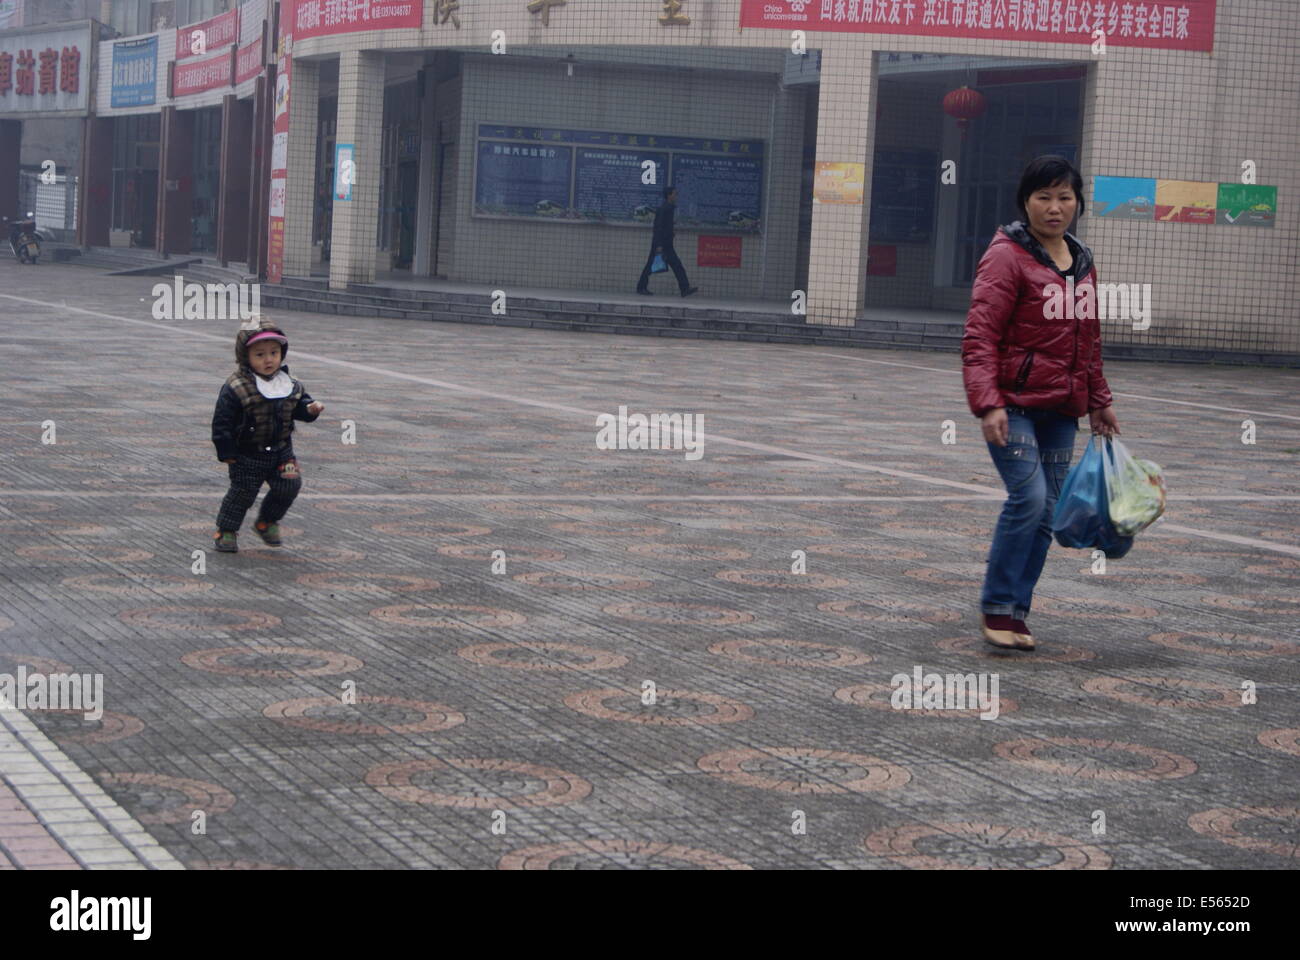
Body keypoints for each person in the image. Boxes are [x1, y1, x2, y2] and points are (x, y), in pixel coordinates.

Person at [961, 155, 1121, 651]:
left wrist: (1099, 399)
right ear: (1025, 201)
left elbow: (1087, 339)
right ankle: (996, 605)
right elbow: (980, 335)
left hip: (1063, 410)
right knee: (1027, 499)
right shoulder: (1007, 255)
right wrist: (988, 403)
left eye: (1065, 197)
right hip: (1014, 405)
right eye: (1044, 197)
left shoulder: (1084, 261)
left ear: (1077, 202)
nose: (1055, 207)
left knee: (1048, 512)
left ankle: (1015, 610)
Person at [211, 319, 325, 552]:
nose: (268, 359)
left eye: (274, 353)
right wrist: (226, 451)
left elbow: (300, 407)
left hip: (282, 451)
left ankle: (266, 521)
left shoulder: (290, 385)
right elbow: (222, 421)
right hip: (247, 453)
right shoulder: (236, 386)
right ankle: (226, 530)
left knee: (289, 485)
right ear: (246, 357)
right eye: (260, 354)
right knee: (242, 494)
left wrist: (310, 410)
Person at [636, 185, 698, 297]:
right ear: (669, 195)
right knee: (651, 265)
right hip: (661, 244)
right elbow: (658, 227)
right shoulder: (664, 209)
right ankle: (641, 287)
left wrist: (671, 232)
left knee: (677, 265)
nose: (677, 196)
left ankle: (684, 288)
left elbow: (665, 226)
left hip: (667, 244)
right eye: (675, 193)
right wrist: (659, 244)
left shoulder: (669, 208)